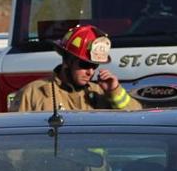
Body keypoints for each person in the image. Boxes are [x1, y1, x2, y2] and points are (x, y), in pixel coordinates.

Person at [10, 24, 140, 112]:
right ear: (67, 61)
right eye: (84, 64)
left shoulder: (100, 94)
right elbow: (15, 142)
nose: (90, 72)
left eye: (94, 65)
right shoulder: (33, 93)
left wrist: (114, 91)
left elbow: (137, 117)